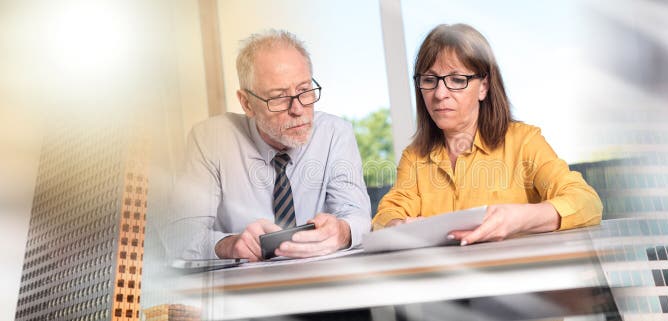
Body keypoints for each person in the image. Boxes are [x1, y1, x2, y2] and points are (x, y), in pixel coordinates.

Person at [373, 24, 602, 245]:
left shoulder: (524, 142)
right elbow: (387, 214)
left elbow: (587, 202)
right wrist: (396, 225)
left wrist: (519, 218)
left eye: (456, 80)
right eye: (430, 80)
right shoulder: (414, 157)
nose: (440, 93)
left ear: (484, 86)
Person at [162, 30, 371, 262]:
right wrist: (229, 244)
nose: (298, 109)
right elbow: (179, 236)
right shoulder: (210, 140)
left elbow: (358, 217)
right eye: (279, 97)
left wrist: (342, 231)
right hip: (242, 289)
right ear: (247, 103)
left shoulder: (335, 133)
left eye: (304, 91)